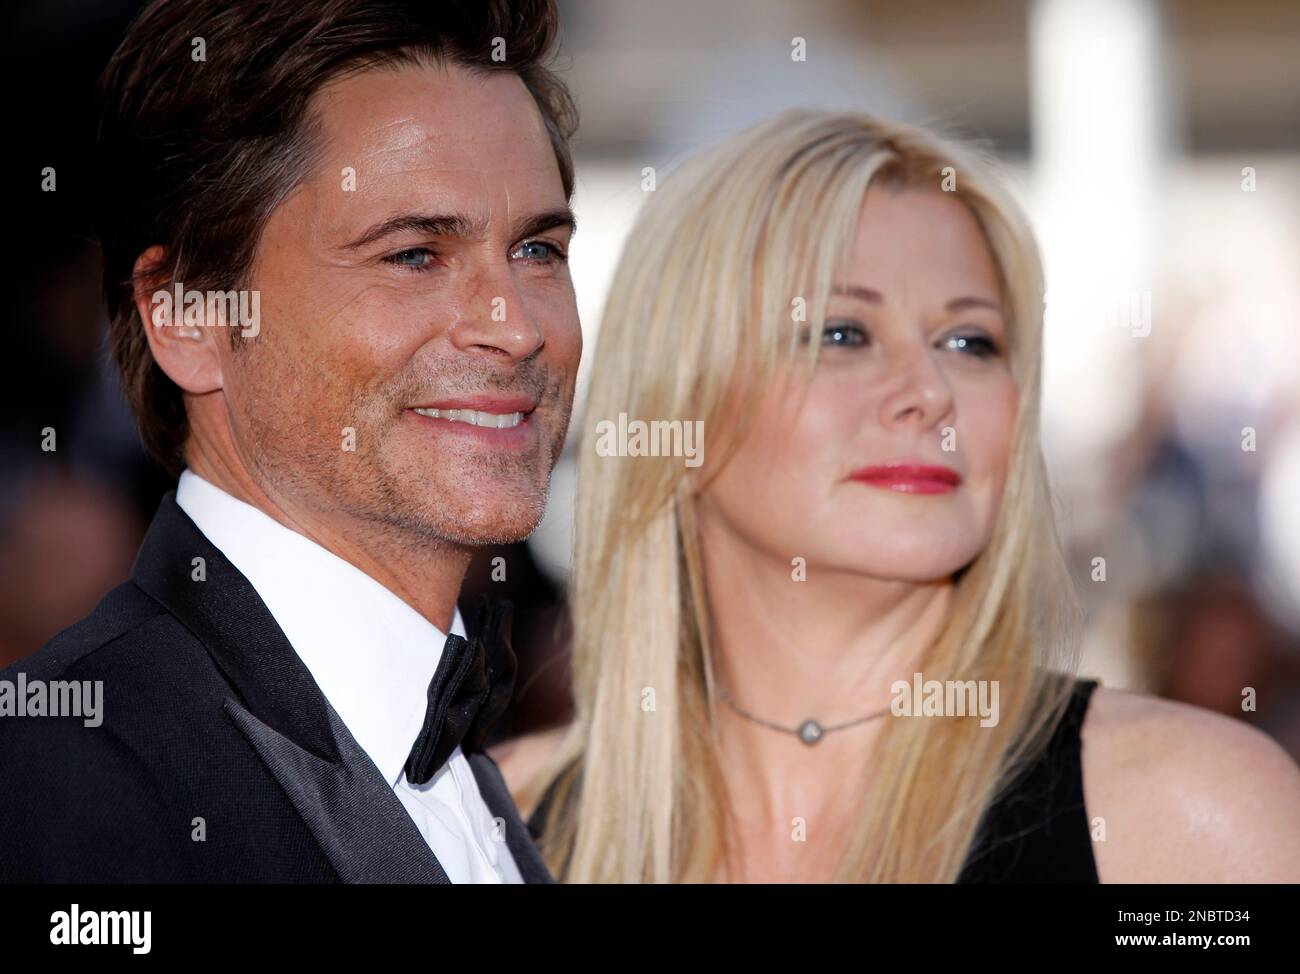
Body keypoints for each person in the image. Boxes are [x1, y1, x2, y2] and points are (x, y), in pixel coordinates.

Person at [493, 109, 1300, 883]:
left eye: (970, 341)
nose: (930, 390)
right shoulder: (494, 829)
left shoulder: (1189, 816)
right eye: (843, 333)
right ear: (679, 400)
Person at [0, 0, 580, 883]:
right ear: (189, 317)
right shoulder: (58, 781)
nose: (514, 327)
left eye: (537, 250)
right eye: (415, 254)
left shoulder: (476, 772)